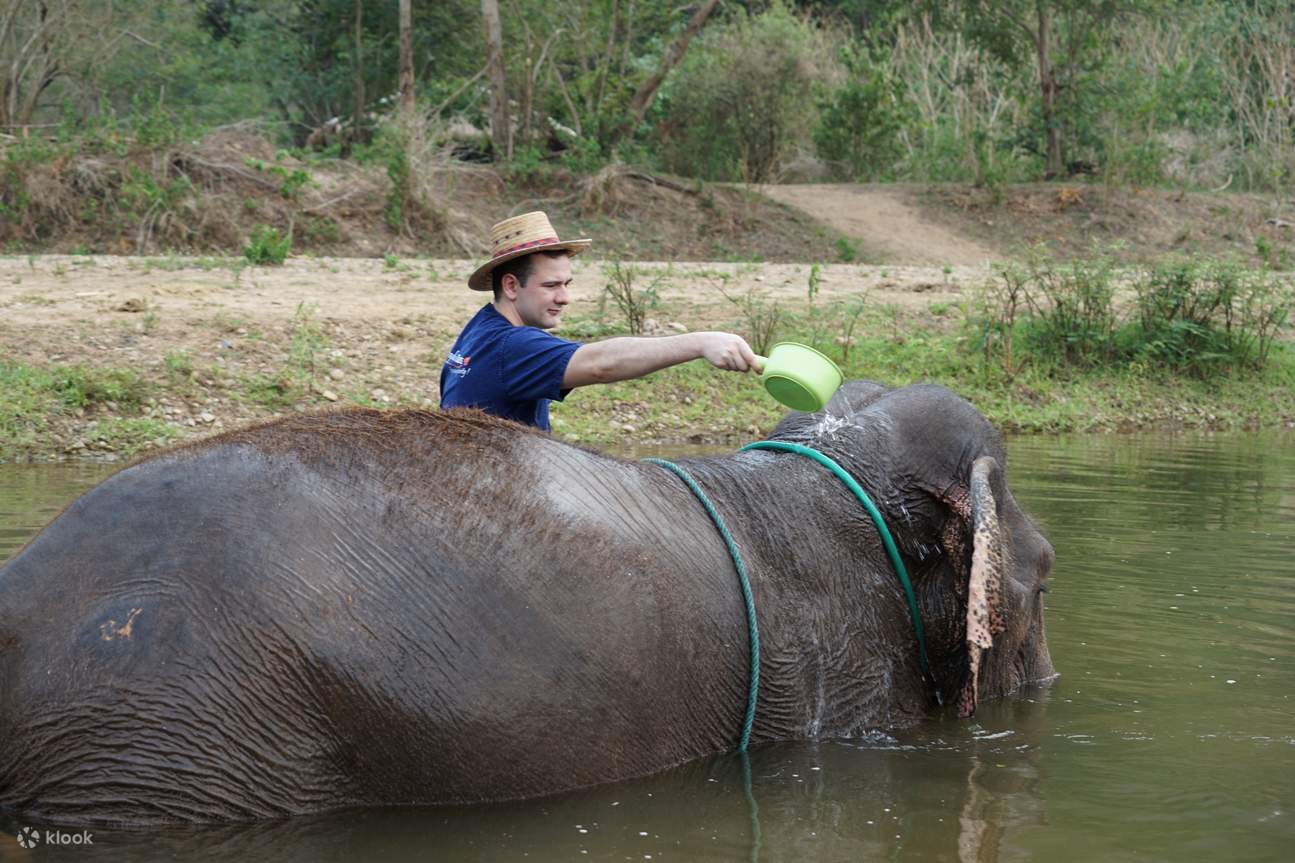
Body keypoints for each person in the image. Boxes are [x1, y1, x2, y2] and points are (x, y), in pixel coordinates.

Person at [440, 211, 761, 431]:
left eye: (567, 284)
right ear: (510, 286)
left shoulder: (479, 329)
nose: (564, 298)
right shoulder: (512, 347)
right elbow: (601, 364)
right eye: (551, 286)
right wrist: (700, 342)